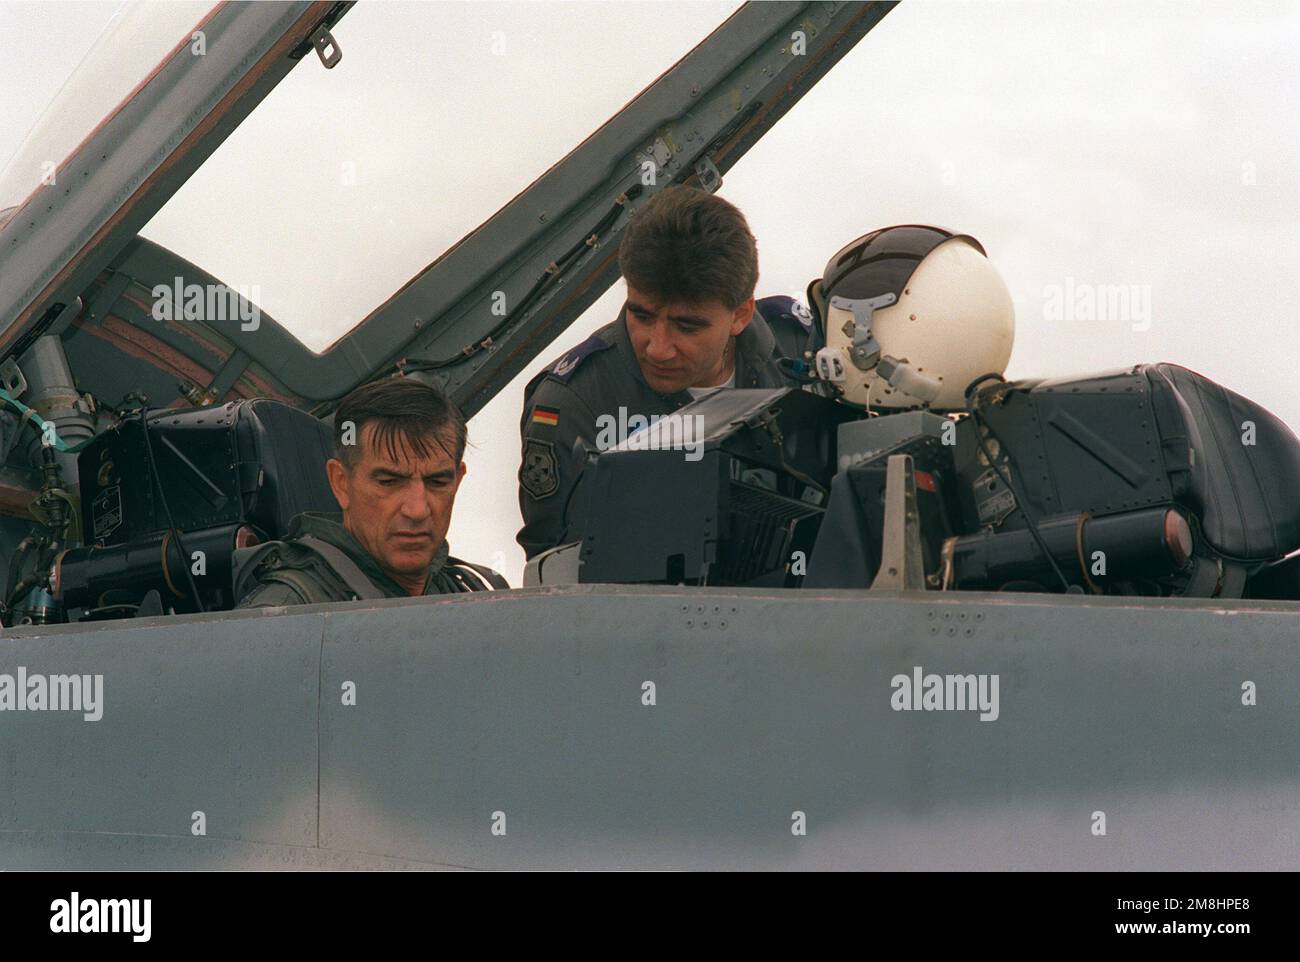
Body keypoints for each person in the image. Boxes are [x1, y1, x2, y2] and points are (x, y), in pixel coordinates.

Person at [516, 186, 809, 559]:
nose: (658, 347)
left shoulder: (802, 350)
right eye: (642, 315)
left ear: (740, 314)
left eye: (686, 327)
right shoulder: (573, 402)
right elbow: (557, 577)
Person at [237, 377, 506, 607]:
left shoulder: (471, 597)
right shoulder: (286, 614)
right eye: (389, 482)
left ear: (457, 481)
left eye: (437, 482)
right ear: (341, 483)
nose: (417, 510)